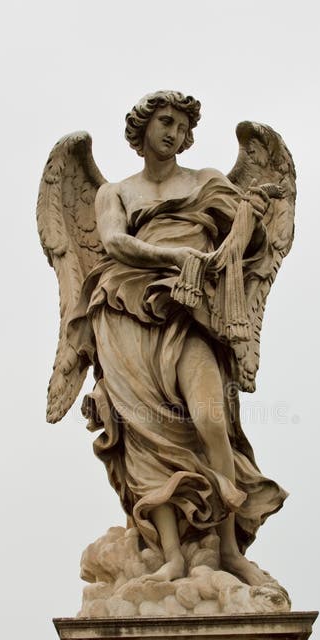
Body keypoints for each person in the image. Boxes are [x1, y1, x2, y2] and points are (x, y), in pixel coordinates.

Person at [84, 91, 286, 585]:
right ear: (143, 128)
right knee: (146, 435)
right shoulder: (115, 192)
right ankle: (173, 554)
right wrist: (175, 258)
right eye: (165, 122)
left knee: (209, 420)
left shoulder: (206, 182)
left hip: (193, 309)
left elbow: (248, 246)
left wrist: (249, 218)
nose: (173, 132)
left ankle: (230, 550)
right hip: (127, 308)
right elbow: (112, 242)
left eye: (181, 125)